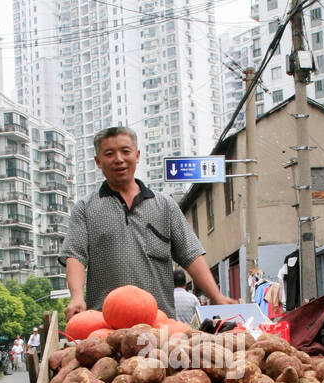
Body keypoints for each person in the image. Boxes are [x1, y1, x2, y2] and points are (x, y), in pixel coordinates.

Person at [61, 126, 236, 320]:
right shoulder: (86, 208)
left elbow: (191, 255)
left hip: (159, 322)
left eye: (125, 152)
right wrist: (76, 296)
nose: (119, 159)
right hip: (105, 324)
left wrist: (217, 296)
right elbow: (75, 256)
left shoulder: (164, 205)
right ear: (98, 161)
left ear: (137, 155)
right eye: (109, 154)